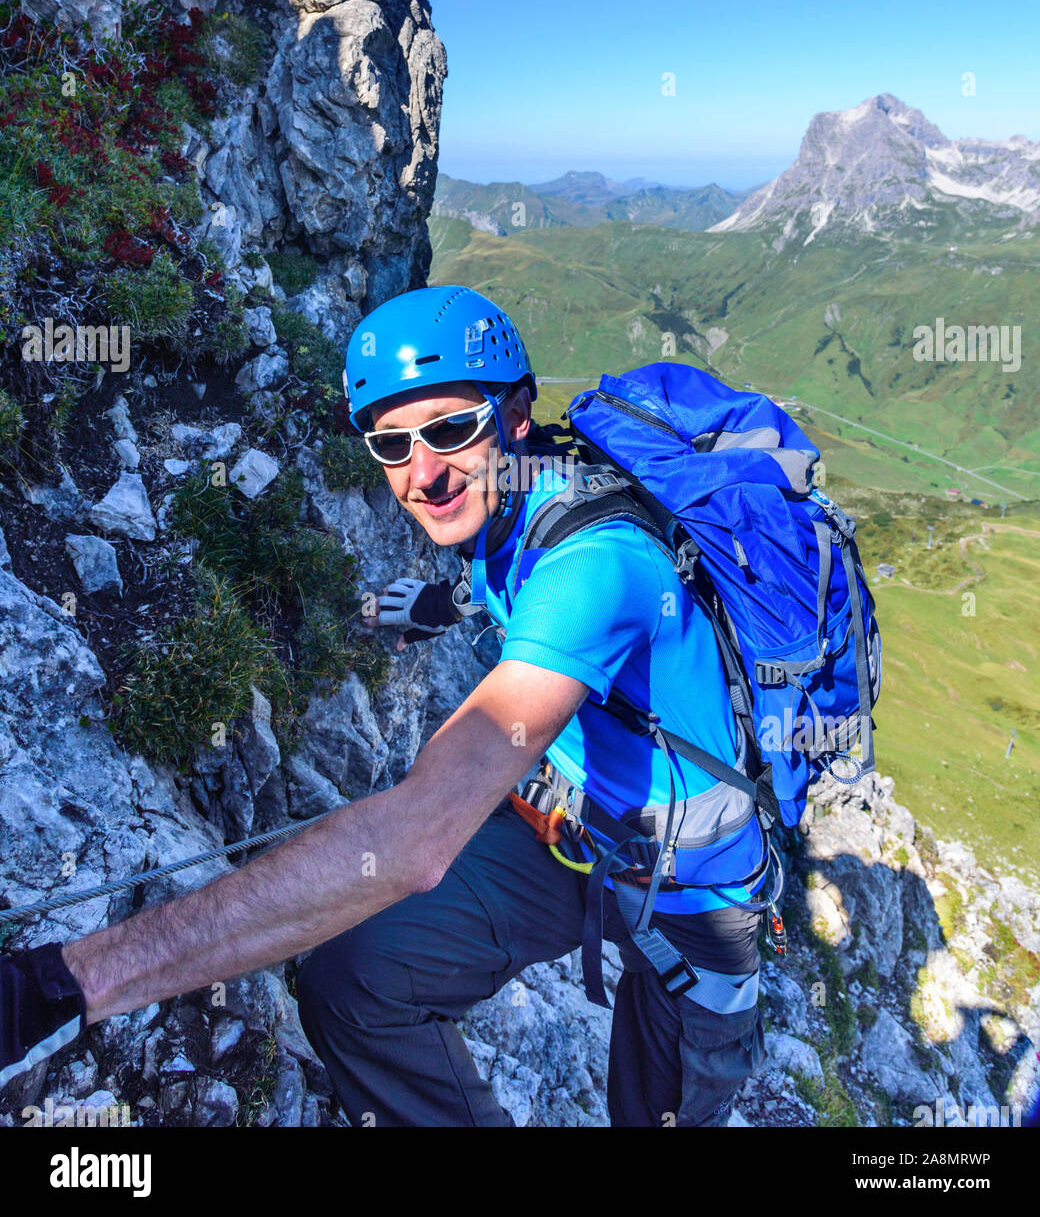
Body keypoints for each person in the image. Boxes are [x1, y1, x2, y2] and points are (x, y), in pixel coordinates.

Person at [1, 285, 767, 1127]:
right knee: (354, 981)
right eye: (390, 443)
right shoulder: (519, 504)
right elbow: (501, 584)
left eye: (449, 430)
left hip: (695, 896)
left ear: (516, 415)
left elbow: (413, 842)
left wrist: (65, 985)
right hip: (570, 836)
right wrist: (425, 609)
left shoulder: (597, 569)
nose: (423, 473)